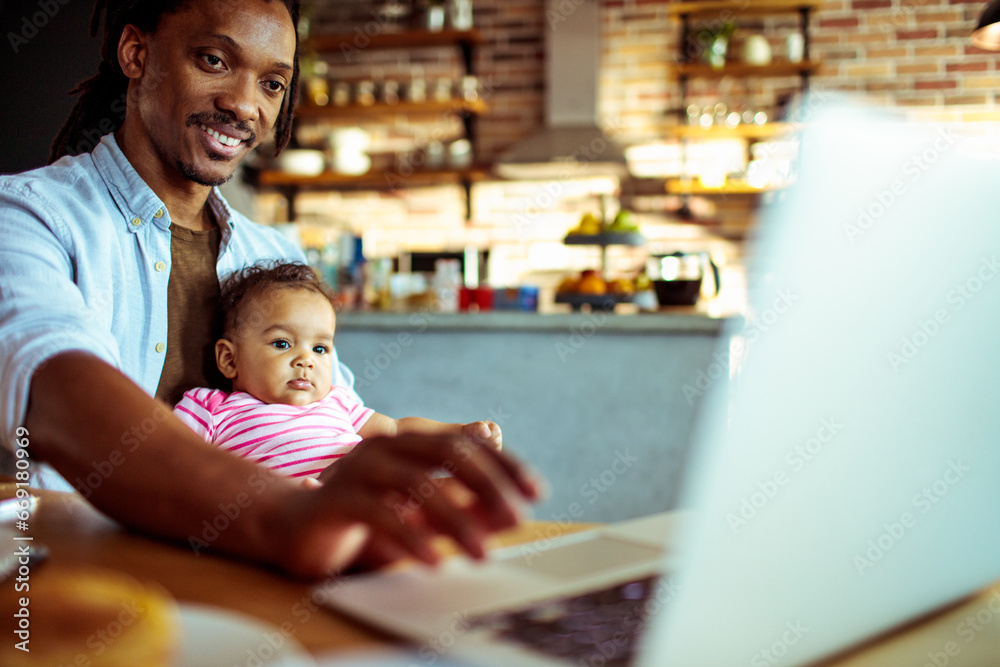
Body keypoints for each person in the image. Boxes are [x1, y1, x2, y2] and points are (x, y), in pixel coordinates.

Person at [0, 0, 542, 577]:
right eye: (213, 60)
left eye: (272, 83)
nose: (243, 104)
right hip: (82, 575)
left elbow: (332, 415)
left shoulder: (275, 255)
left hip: (260, 574)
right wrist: (284, 516)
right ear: (137, 53)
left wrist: (388, 487)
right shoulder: (30, 216)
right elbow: (56, 393)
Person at [174, 261, 503, 481]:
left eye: (320, 349)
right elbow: (175, 464)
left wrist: (457, 434)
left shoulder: (337, 401)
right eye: (282, 344)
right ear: (229, 360)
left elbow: (398, 428)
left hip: (359, 502)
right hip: (285, 509)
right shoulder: (210, 408)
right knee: (366, 464)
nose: (306, 361)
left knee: (396, 463)